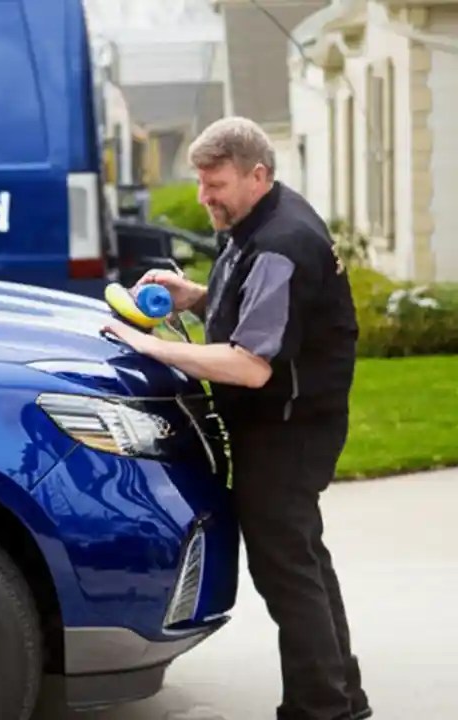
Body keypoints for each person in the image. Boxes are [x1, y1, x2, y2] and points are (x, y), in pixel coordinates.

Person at [100, 116, 371, 720]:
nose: (204, 197)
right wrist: (193, 296)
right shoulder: (262, 221)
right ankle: (343, 700)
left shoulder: (280, 243)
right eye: (199, 182)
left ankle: (321, 709)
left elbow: (251, 365)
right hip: (289, 424)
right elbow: (259, 310)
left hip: (287, 432)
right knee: (304, 564)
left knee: (288, 574)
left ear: (256, 174)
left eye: (214, 182)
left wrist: (151, 346)